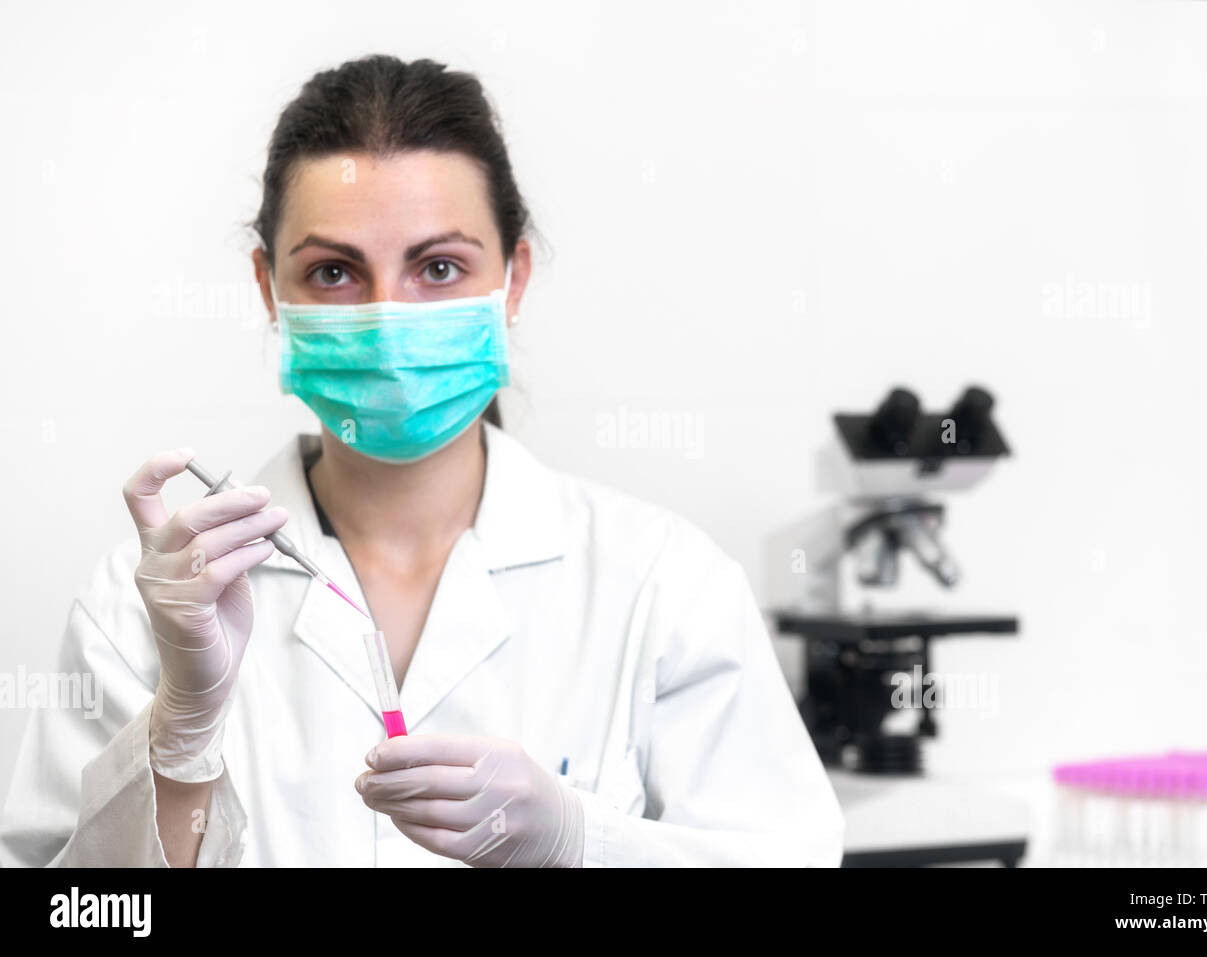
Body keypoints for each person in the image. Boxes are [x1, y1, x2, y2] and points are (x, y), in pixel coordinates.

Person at [0, 54, 844, 867]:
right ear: (269, 290)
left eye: (439, 267)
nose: (385, 320)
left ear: (511, 280)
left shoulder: (662, 583)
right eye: (333, 272)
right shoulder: (143, 605)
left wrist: (581, 843)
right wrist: (180, 735)